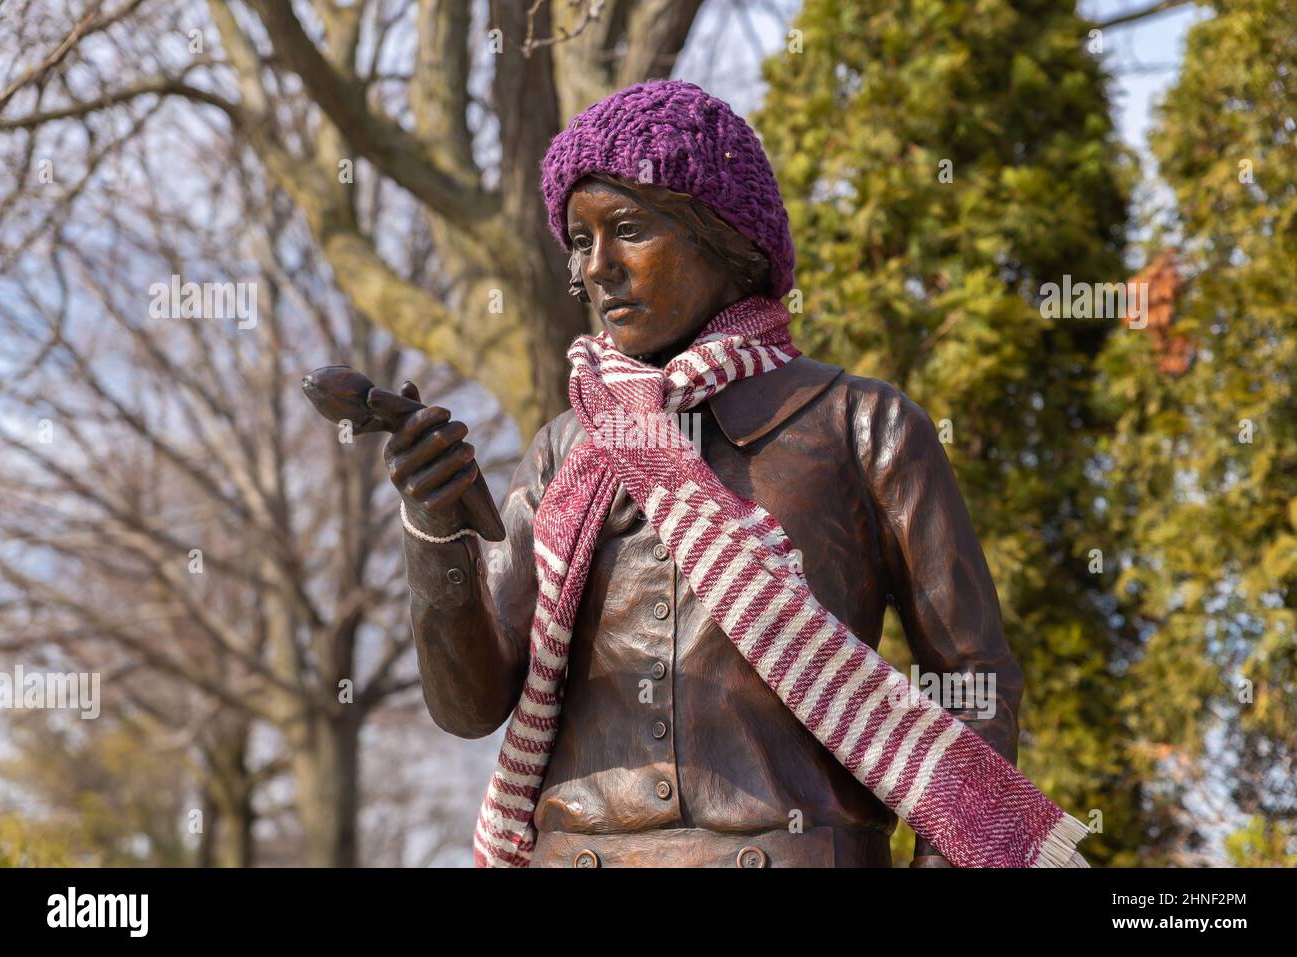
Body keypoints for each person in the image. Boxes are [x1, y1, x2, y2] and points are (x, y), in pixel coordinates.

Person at [379, 80, 1074, 869]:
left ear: (724, 237)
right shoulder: (564, 450)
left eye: (627, 230)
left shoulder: (862, 427)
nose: (594, 270)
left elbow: (974, 684)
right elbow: (470, 705)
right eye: (578, 240)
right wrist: (434, 523)